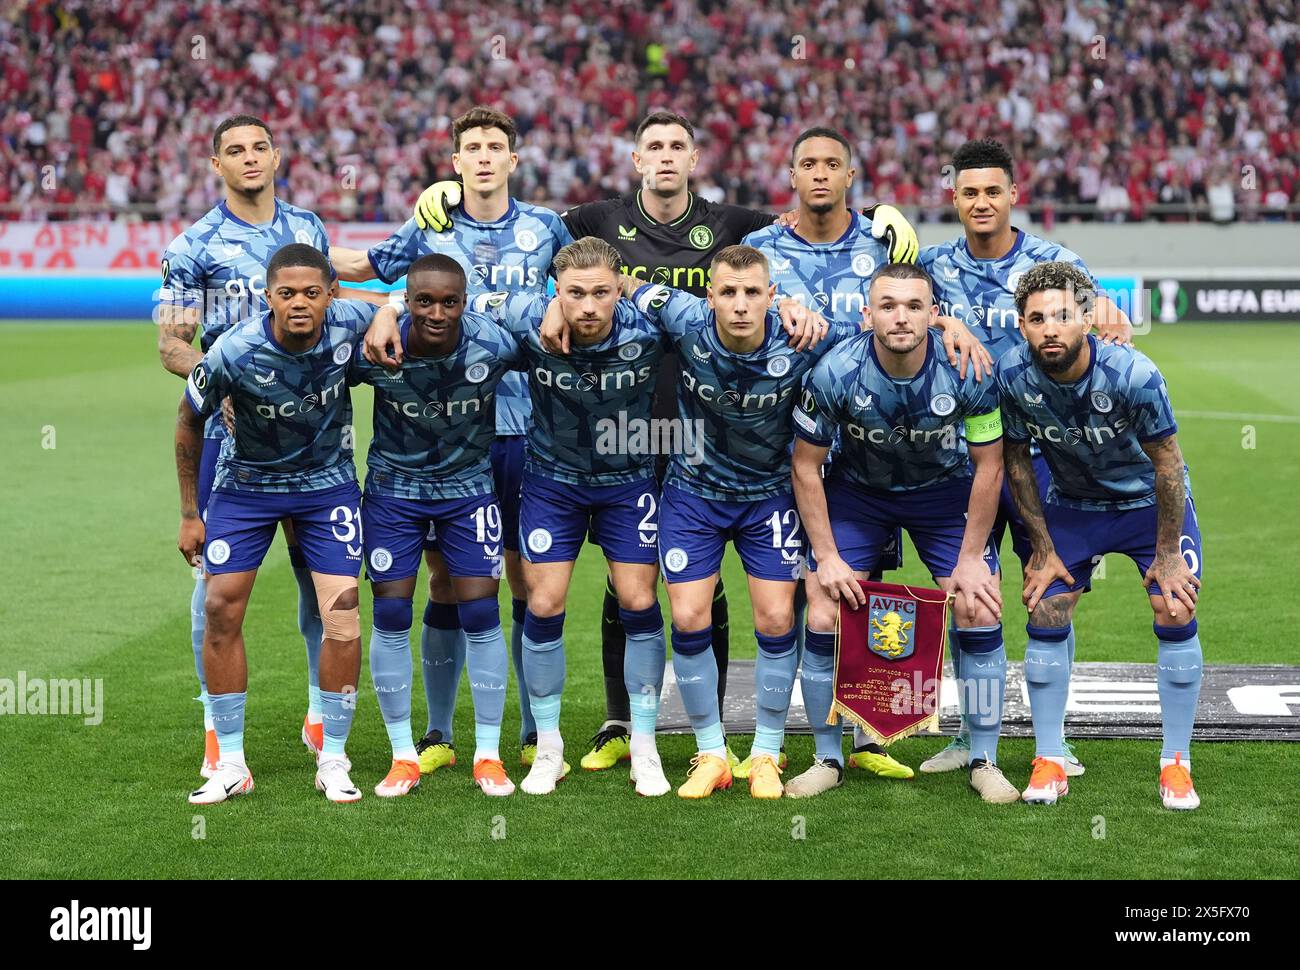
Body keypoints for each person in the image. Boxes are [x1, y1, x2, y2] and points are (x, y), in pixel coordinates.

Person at [415, 110, 921, 774]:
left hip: (724, 436)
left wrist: (881, 214)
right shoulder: (594, 220)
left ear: (693, 157)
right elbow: (530, 235)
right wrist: (454, 201)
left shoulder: (735, 225)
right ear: (635, 158)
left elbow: (802, 214)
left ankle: (852, 734)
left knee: (819, 585)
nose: (665, 155)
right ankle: (625, 722)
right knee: (635, 588)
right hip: (629, 435)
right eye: (653, 145)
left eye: (677, 145)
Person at [337, 105, 573, 776]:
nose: (485, 157)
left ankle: (534, 732)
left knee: (526, 581)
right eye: (472, 147)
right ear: (456, 161)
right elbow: (373, 269)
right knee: (445, 581)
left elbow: (587, 285)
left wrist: (558, 300)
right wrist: (374, 296)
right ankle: (439, 733)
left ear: (513, 159)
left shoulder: (544, 228)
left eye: (496, 146)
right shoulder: (430, 226)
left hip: (529, 428)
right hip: (442, 440)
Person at [157, 114, 378, 777]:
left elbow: (340, 305)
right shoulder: (191, 246)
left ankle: (319, 713)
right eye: (234, 150)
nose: (249, 158)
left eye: (259, 147)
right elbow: (172, 341)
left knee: (326, 590)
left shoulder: (307, 229)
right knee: (214, 595)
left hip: (318, 439)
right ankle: (215, 729)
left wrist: (391, 302)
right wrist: (215, 378)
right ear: (214, 164)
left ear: (277, 156)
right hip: (233, 438)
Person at [916, 136, 1134, 776]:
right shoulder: (931, 267)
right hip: (967, 461)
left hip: (1047, 461)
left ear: (1015, 194)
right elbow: (884, 292)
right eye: (969, 192)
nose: (981, 202)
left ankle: (1052, 741)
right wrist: (940, 320)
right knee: (973, 601)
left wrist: (1110, 313)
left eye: (993, 191)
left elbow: (1103, 322)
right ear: (953, 198)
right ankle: (974, 739)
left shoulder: (1055, 262)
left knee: (1051, 593)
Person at [177, 244, 398, 804]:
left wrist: (391, 309)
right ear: (267, 295)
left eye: (311, 292)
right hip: (245, 489)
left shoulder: (348, 321)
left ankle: (334, 758)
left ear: (330, 293)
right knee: (221, 607)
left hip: (327, 490)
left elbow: (404, 300)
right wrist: (187, 513)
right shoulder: (234, 349)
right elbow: (187, 422)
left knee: (342, 618)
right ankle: (230, 763)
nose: (300, 303)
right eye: (286, 293)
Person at [789, 263, 1016, 803]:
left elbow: (990, 466)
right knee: (822, 608)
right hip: (858, 492)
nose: (901, 316)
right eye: (888, 305)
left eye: (914, 306)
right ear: (867, 315)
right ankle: (828, 757)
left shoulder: (969, 369)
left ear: (934, 314)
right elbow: (804, 466)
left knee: (979, 605)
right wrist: (826, 556)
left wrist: (969, 560)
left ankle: (983, 756)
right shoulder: (833, 372)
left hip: (943, 493)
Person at [996, 262, 1203, 810]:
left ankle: (1176, 762)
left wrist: (1166, 555)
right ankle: (1050, 758)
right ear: (1022, 325)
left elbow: (1169, 467)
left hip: (1146, 506)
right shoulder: (1012, 376)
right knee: (1046, 607)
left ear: (1087, 319)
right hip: (1073, 505)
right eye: (1037, 319)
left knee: (1174, 607)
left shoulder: (1134, 375)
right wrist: (1041, 548)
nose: (1050, 329)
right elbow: (1016, 463)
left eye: (1063, 316)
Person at [351, 254, 530, 797]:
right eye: (422, 301)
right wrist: (383, 309)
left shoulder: (492, 343)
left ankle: (488, 756)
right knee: (390, 613)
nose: (435, 313)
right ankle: (404, 754)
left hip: (468, 493)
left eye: (448, 302)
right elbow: (317, 335)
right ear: (407, 298)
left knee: (481, 612)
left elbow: (559, 340)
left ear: (464, 302)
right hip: (392, 493)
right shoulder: (379, 345)